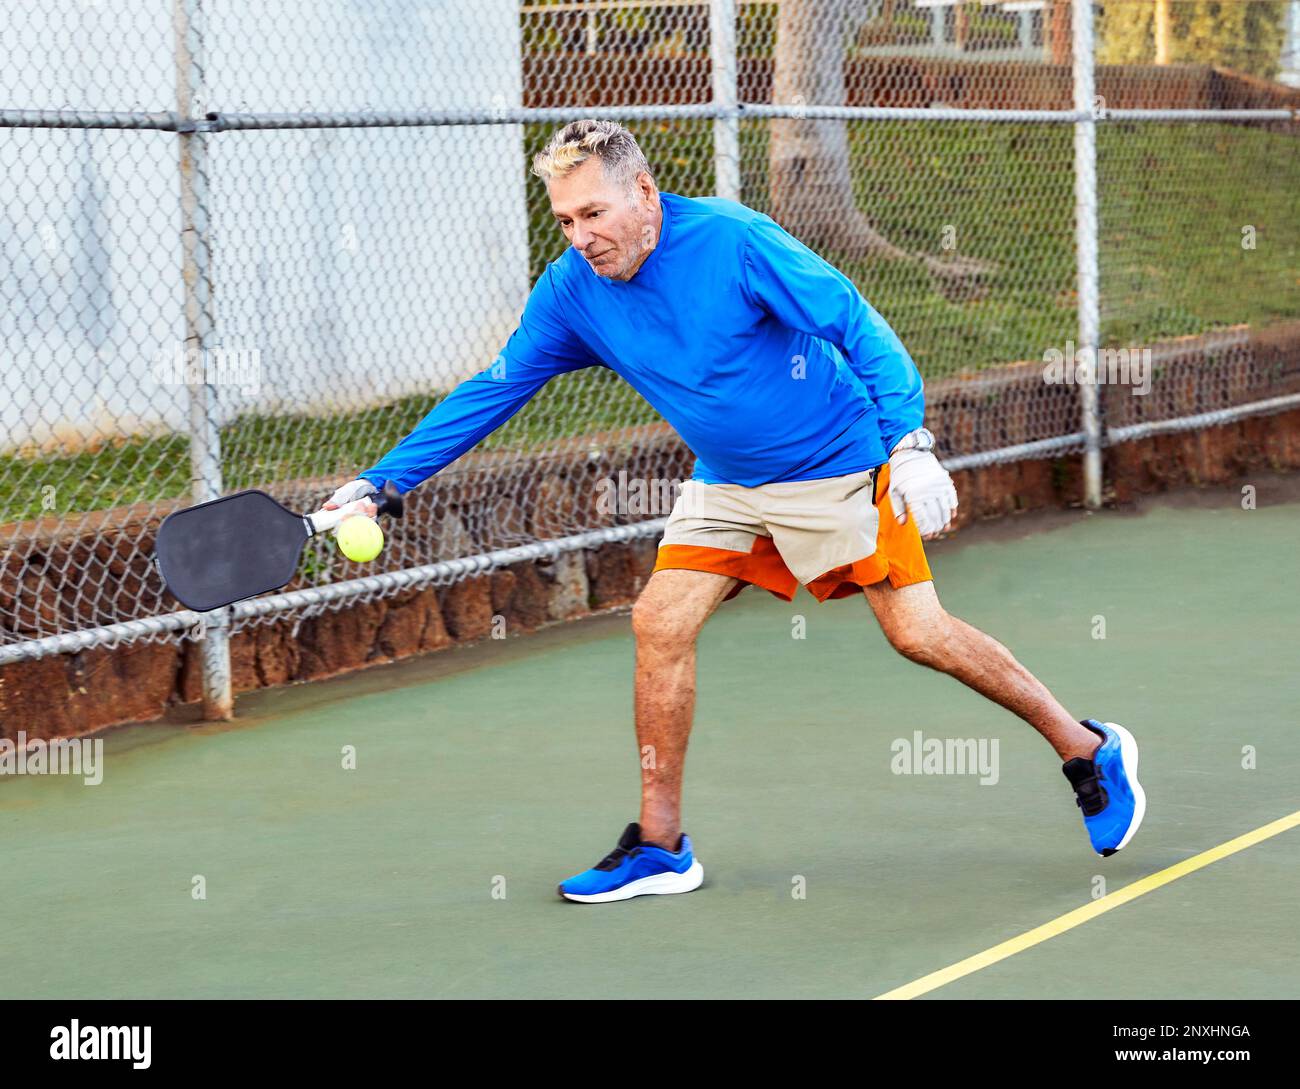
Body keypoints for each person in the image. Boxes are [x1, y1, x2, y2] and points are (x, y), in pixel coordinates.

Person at [324, 119, 1145, 903]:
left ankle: (1088, 749)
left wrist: (911, 443)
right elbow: (494, 390)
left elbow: (856, 324)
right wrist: (380, 482)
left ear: (644, 192)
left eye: (595, 213)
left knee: (918, 634)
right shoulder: (574, 290)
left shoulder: (733, 241)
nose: (580, 235)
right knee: (661, 623)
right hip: (727, 482)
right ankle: (659, 845)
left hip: (837, 460)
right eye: (566, 219)